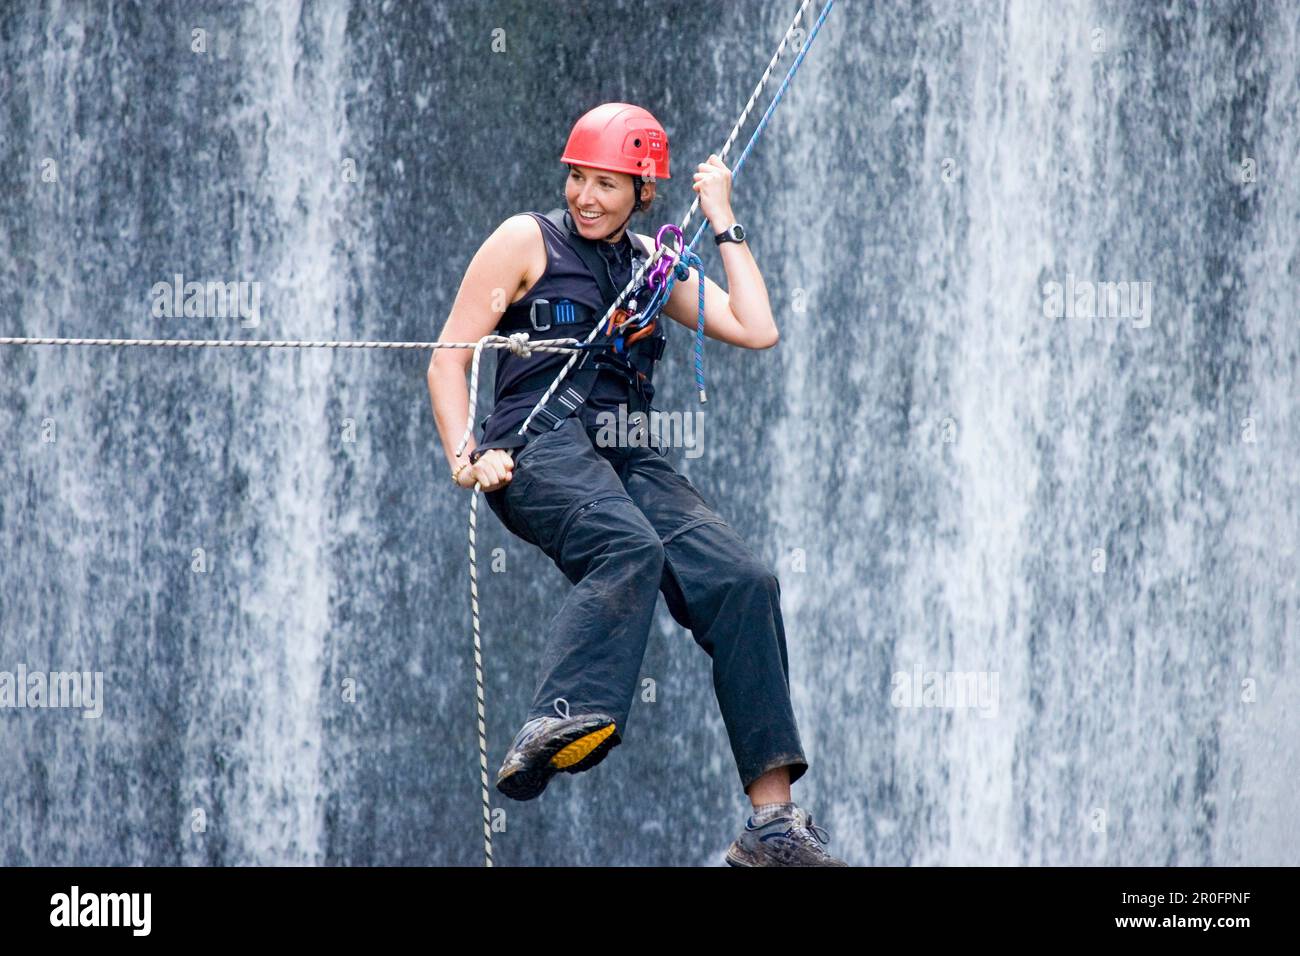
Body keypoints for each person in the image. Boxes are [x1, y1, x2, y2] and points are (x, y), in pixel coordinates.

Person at [427, 102, 846, 866]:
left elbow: (757, 327)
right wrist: (465, 457)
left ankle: (771, 825)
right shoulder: (527, 240)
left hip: (624, 453)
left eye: (608, 186)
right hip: (534, 446)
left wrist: (722, 217)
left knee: (745, 580)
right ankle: (558, 716)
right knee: (628, 546)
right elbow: (448, 359)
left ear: (643, 193)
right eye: (578, 179)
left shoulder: (656, 266)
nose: (587, 197)